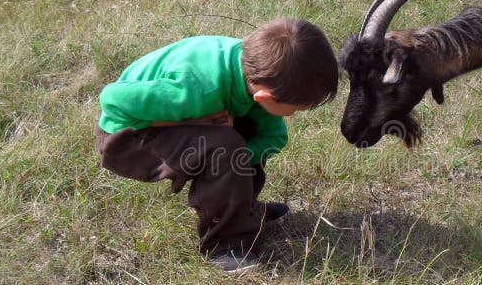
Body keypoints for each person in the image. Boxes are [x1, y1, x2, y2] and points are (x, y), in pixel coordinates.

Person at [95, 18, 338, 271]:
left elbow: (272, 137)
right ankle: (226, 245)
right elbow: (112, 100)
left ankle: (241, 210)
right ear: (265, 95)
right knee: (224, 146)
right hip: (126, 134)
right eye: (294, 110)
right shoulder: (196, 89)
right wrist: (193, 122)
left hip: (182, 113)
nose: (293, 115)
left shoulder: (258, 71)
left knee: (241, 138)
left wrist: (239, 165)